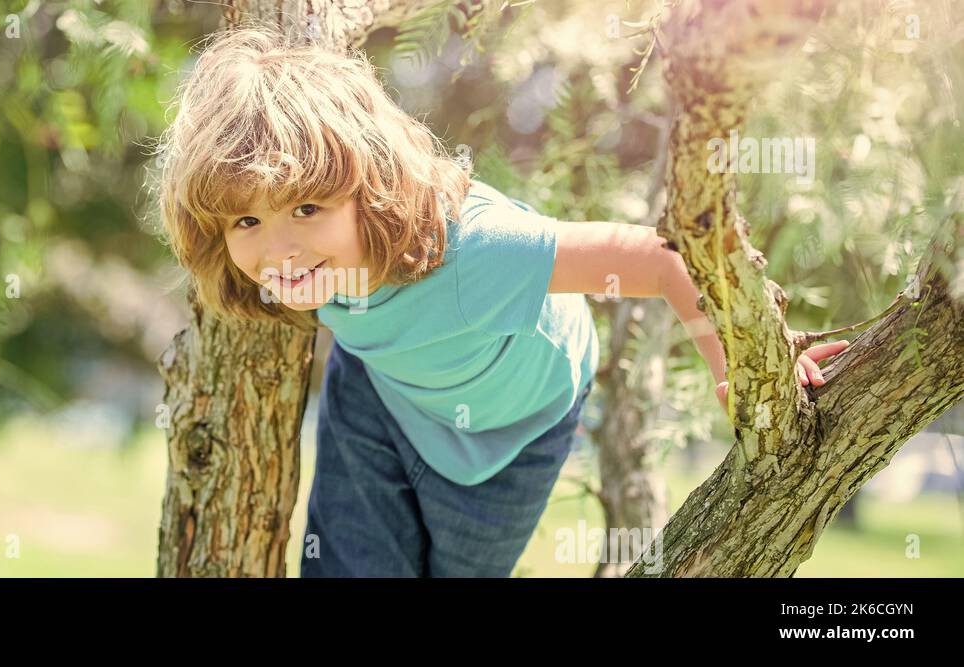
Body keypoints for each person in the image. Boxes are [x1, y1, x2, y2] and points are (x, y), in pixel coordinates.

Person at [152, 26, 848, 577]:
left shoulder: (479, 250)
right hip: (379, 394)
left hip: (511, 434)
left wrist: (740, 368)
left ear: (370, 182)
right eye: (247, 221)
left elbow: (664, 258)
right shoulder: (292, 269)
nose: (280, 250)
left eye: (305, 206)